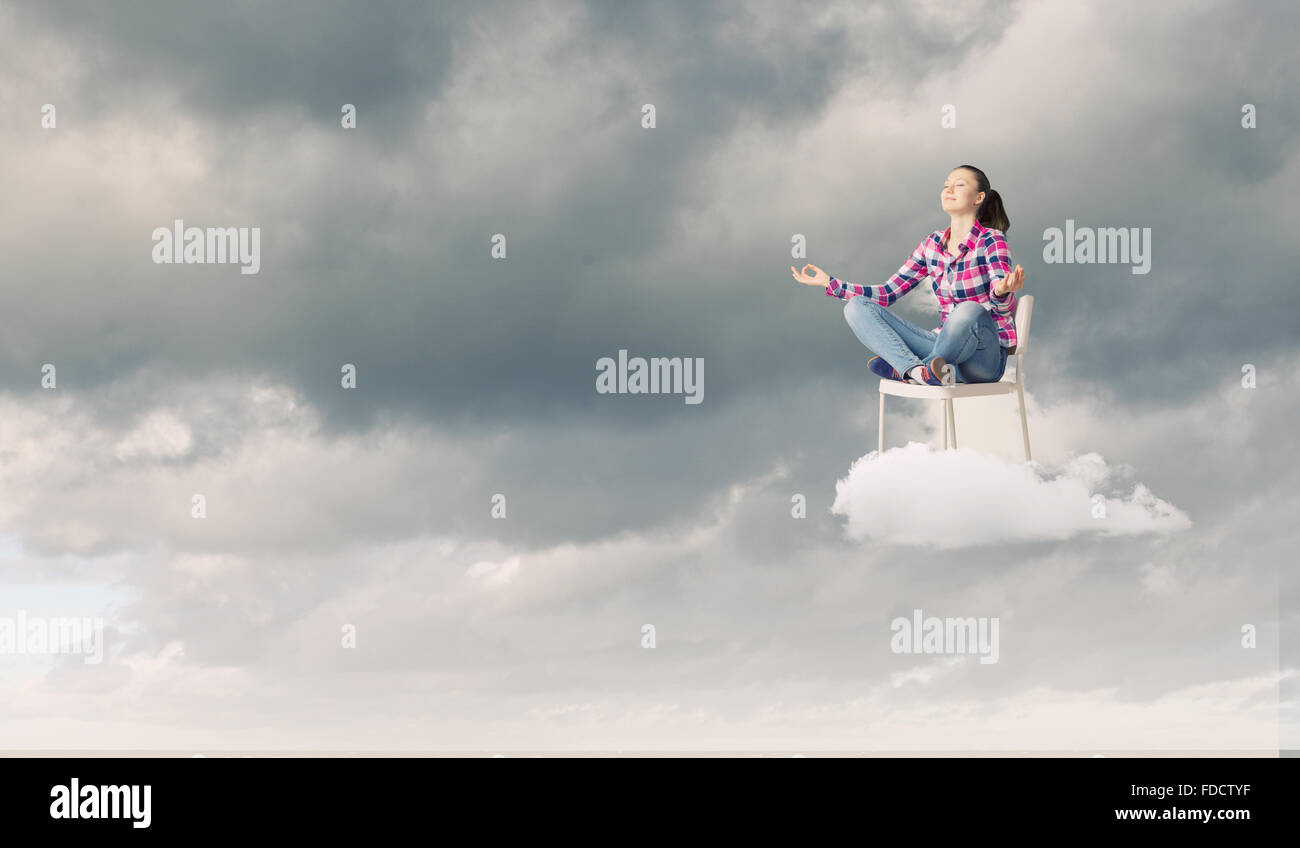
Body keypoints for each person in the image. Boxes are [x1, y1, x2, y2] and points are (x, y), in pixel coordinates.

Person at [791, 165, 1027, 385]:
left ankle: (911, 369)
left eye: (960, 184)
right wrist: (829, 283)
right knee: (856, 307)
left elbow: (1003, 309)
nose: (949, 189)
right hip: (943, 358)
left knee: (969, 309)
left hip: (983, 359)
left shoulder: (991, 240)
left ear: (979, 198)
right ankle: (918, 372)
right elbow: (887, 293)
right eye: (946, 185)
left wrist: (1001, 291)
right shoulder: (931, 244)